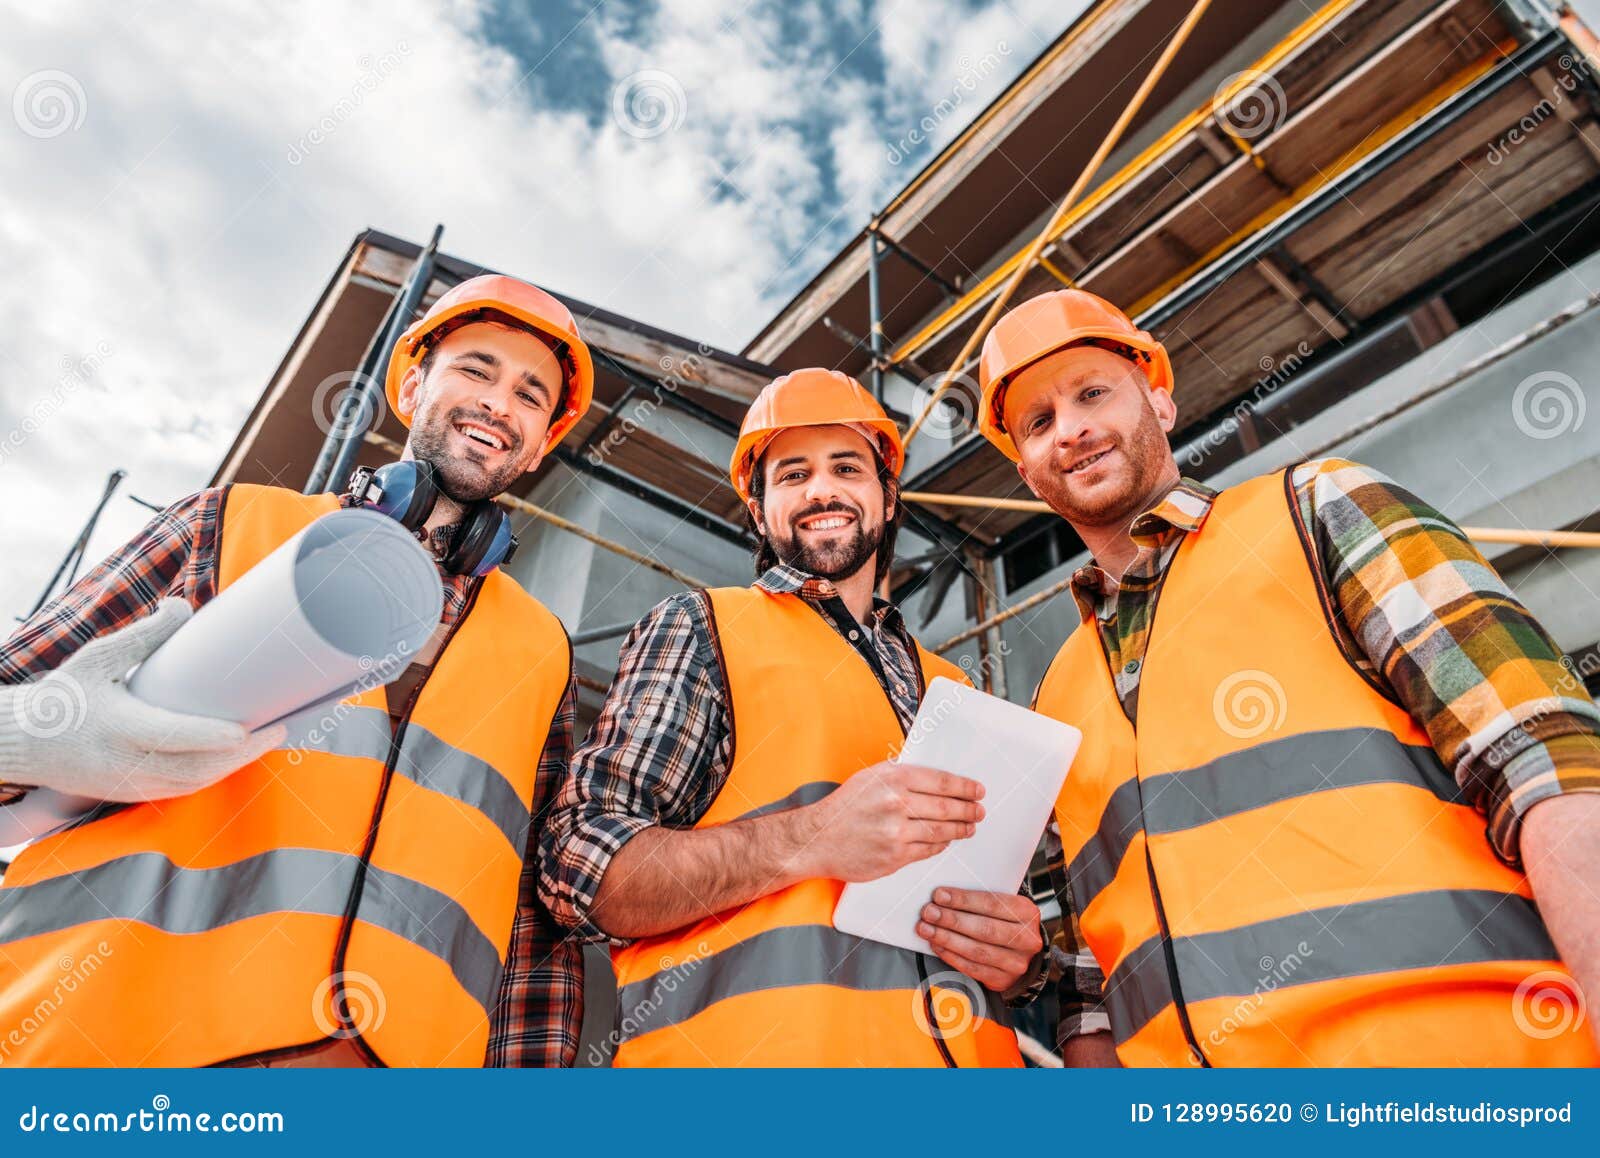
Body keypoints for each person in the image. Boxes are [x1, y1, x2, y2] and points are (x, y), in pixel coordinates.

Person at [977, 286, 1600, 1067]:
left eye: (1092, 393)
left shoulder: (1317, 510)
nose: (1071, 429)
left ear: (1160, 403)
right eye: (1038, 422)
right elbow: (1088, 984)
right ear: (1029, 473)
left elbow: (1545, 761)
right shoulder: (1057, 696)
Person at [0, 274, 590, 1068]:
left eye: (529, 394)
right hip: (114, 1043)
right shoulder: (234, 524)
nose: (499, 403)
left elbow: (528, 924)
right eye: (476, 370)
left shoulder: (540, 651)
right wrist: (35, 739)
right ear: (414, 386)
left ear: (543, 440)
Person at [541, 368, 1042, 1066]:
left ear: (888, 497)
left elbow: (991, 921)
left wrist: (1013, 957)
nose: (821, 491)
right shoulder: (703, 628)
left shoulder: (954, 687)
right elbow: (580, 872)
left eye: (846, 467)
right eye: (793, 474)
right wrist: (810, 837)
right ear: (758, 508)